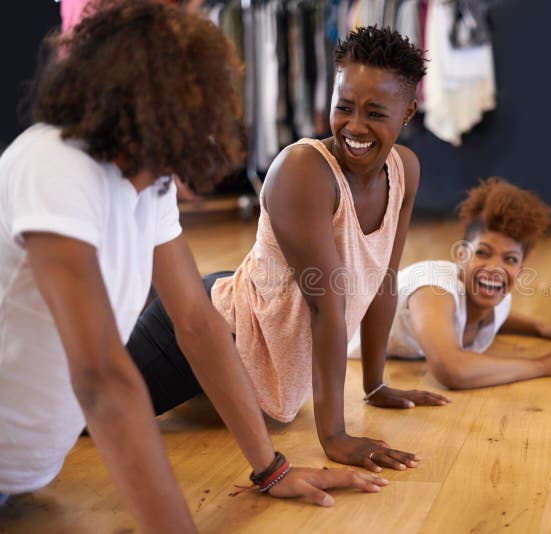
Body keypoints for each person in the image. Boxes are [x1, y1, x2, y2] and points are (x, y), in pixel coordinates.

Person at [0, 2, 385, 531]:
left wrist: (270, 469)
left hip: (26, 481)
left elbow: (199, 323)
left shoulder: (146, 179)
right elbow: (103, 380)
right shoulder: (56, 168)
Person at [127, 25, 451, 475]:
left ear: (409, 112)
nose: (355, 126)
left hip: (257, 314)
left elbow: (384, 281)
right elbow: (328, 304)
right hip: (210, 332)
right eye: (344, 107)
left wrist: (375, 386)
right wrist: (334, 437)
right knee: (77, 416)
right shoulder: (304, 170)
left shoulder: (404, 171)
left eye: (376, 112)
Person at [348, 177, 551, 389]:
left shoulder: (499, 299)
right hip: (322, 347)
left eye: (510, 259)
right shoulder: (433, 289)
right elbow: (452, 371)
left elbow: (479, 314)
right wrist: (545, 365)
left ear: (520, 269)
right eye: (482, 253)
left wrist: (539, 326)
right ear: (461, 255)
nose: (495, 268)